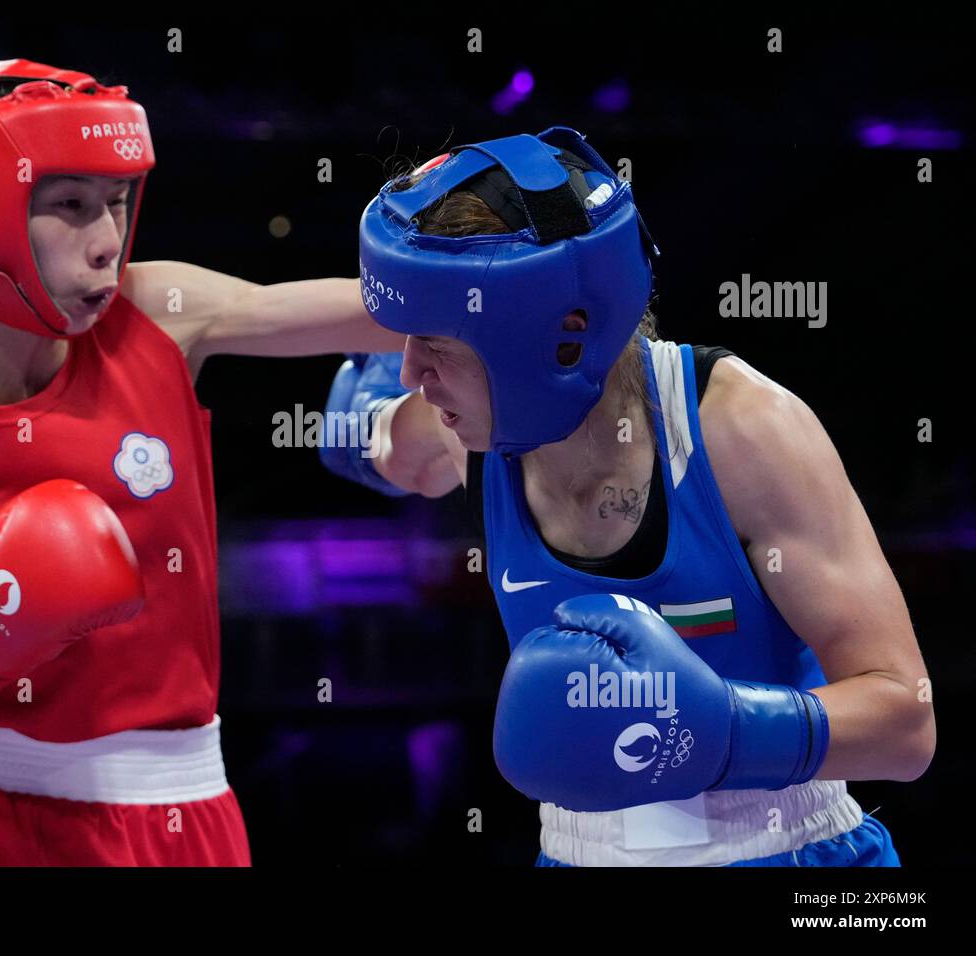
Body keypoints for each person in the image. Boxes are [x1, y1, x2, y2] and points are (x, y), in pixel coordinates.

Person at [0, 59, 402, 866]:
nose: (107, 243)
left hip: (177, 819)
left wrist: (494, 272)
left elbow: (377, 310)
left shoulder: (161, 315)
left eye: (119, 203)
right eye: (70, 205)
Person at [320, 127, 935, 866]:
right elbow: (371, 440)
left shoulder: (741, 429)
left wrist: (728, 731)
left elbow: (907, 724)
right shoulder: (465, 428)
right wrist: (347, 422)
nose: (413, 370)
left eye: (439, 342)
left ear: (559, 336)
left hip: (791, 852)